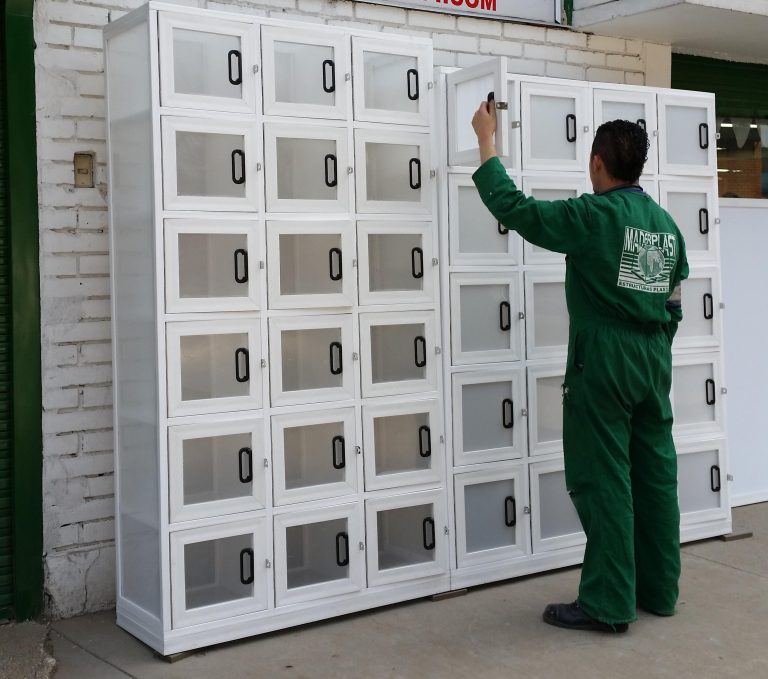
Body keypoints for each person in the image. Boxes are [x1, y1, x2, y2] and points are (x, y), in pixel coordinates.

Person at [471, 103, 689, 634]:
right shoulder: (666, 226)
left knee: (605, 478)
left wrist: (486, 142)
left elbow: (518, 210)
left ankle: (608, 602)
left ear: (597, 165)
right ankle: (658, 591)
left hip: (606, 362)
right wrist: (652, 349)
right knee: (655, 475)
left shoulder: (592, 218)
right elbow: (675, 304)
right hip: (653, 359)